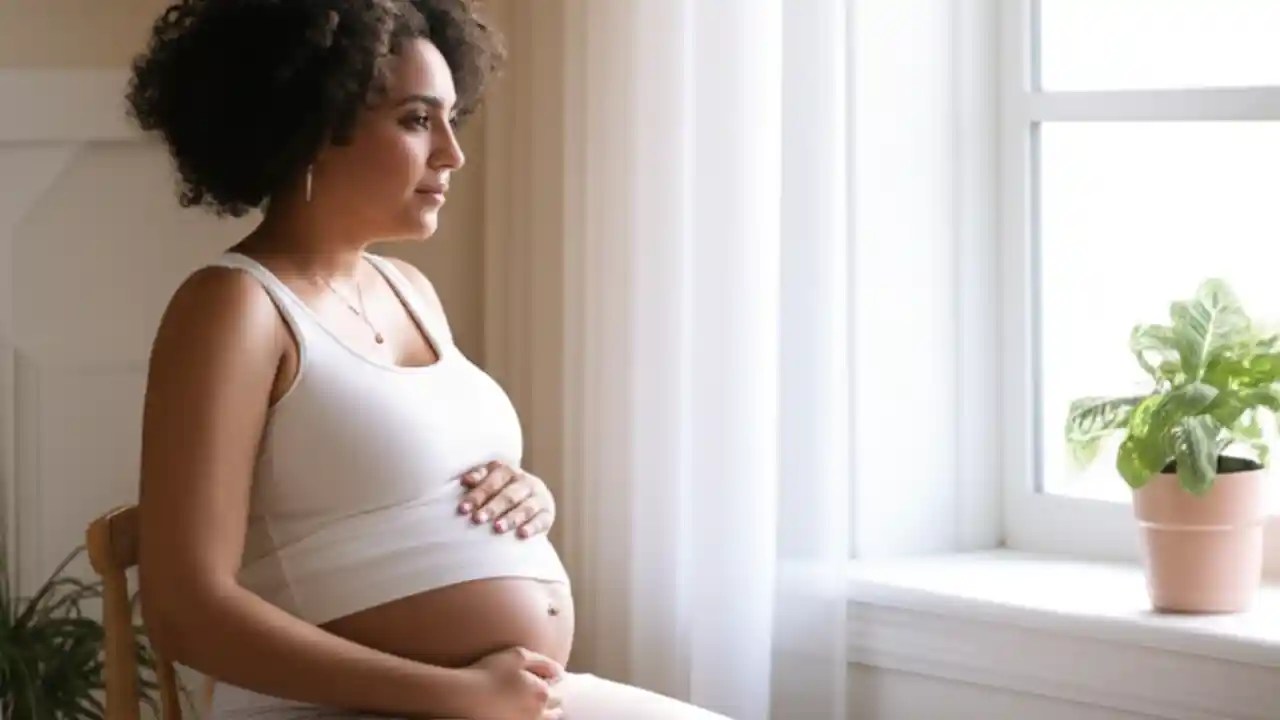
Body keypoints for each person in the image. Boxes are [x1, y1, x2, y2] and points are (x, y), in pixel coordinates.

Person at [130, 1, 730, 718]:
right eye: (417, 120)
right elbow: (184, 610)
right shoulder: (233, 309)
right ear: (315, 126)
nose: (452, 151)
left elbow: (389, 486)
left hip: (504, 700)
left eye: (451, 117)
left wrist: (524, 498)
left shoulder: (408, 290)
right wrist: (458, 694)